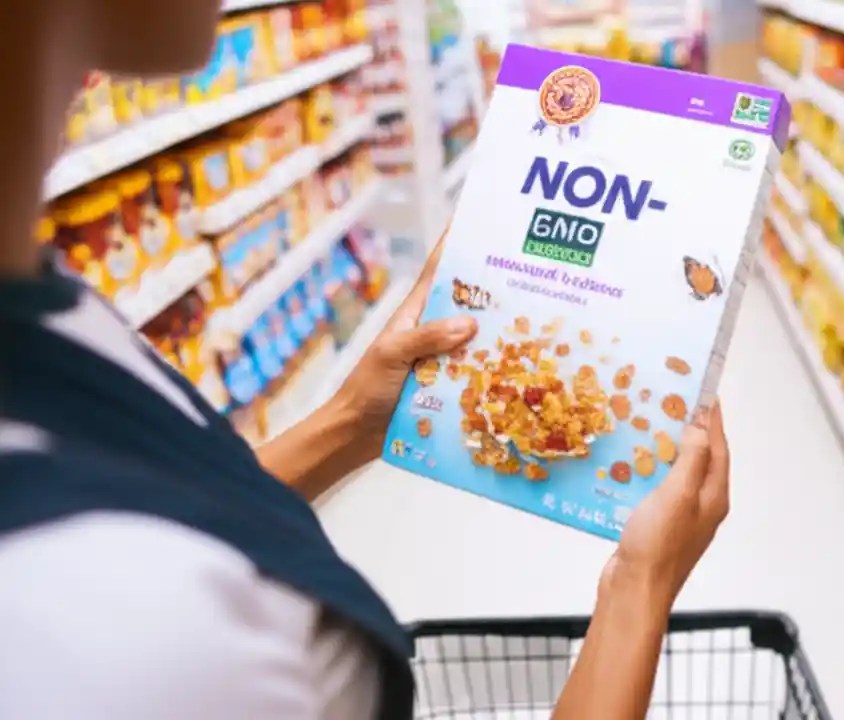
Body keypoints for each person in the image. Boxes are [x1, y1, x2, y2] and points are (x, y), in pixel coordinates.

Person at [0, 2, 731, 719]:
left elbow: (165, 519)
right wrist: (638, 589)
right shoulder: (123, 652)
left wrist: (355, 420)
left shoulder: (44, 293)